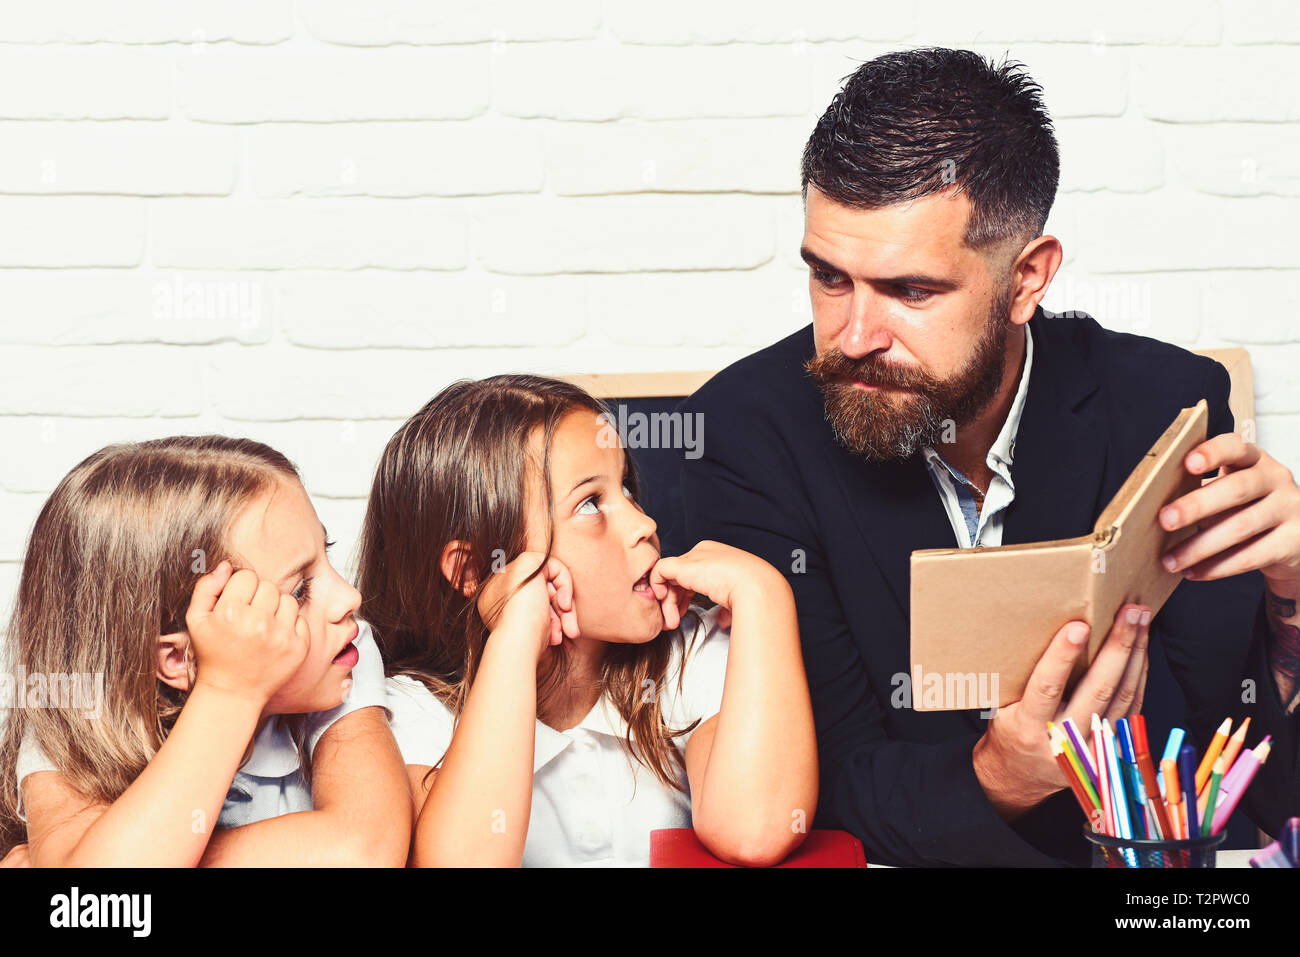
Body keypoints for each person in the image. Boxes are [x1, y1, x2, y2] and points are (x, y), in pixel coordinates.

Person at [679, 47, 1299, 866]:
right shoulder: (742, 434)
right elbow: (816, 783)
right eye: (830, 277)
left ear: (1027, 278)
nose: (854, 337)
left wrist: (1293, 602)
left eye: (910, 290)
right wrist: (999, 775)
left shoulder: (1163, 406)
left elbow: (1232, 768)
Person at [355, 374, 817, 866]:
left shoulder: (687, 658)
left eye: (627, 490)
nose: (645, 525)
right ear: (473, 570)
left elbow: (756, 832)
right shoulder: (412, 713)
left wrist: (765, 595)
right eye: (591, 504)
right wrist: (514, 636)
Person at [0, 435, 409, 866]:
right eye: (301, 589)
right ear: (178, 658)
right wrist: (229, 691)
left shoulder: (344, 653)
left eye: (326, 554)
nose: (350, 598)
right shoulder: (72, 715)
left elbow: (363, 852)